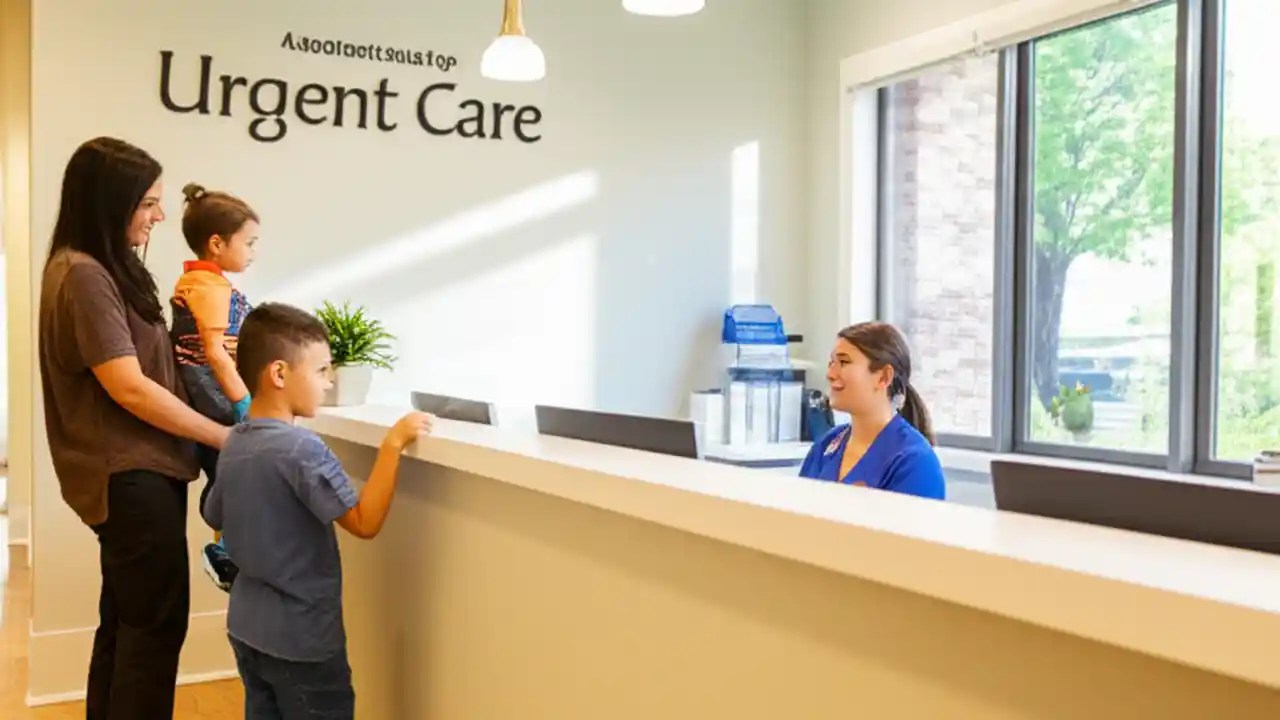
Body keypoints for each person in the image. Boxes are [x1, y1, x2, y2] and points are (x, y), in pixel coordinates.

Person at [38, 136, 232, 719]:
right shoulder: (84, 275)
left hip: (135, 475)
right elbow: (128, 385)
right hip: (129, 476)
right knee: (152, 631)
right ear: (109, 201)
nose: (160, 216)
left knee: (126, 624)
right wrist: (222, 435)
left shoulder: (94, 269)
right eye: (148, 203)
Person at [202, 302, 431, 719]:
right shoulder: (301, 450)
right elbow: (364, 522)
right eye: (322, 370)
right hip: (301, 640)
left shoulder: (235, 442)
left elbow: (215, 515)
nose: (329, 383)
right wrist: (393, 445)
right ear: (279, 374)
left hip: (247, 629)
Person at [170, 182, 257, 592]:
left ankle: (228, 550)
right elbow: (216, 353)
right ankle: (224, 550)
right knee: (237, 469)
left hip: (204, 386)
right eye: (249, 242)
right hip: (211, 389)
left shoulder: (197, 282)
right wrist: (244, 404)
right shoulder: (210, 288)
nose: (253, 252)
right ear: (217, 243)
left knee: (231, 468)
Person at [799, 322, 945, 499]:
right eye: (831, 363)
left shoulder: (915, 462)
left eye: (844, 362)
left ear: (883, 377)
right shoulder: (825, 446)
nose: (830, 374)